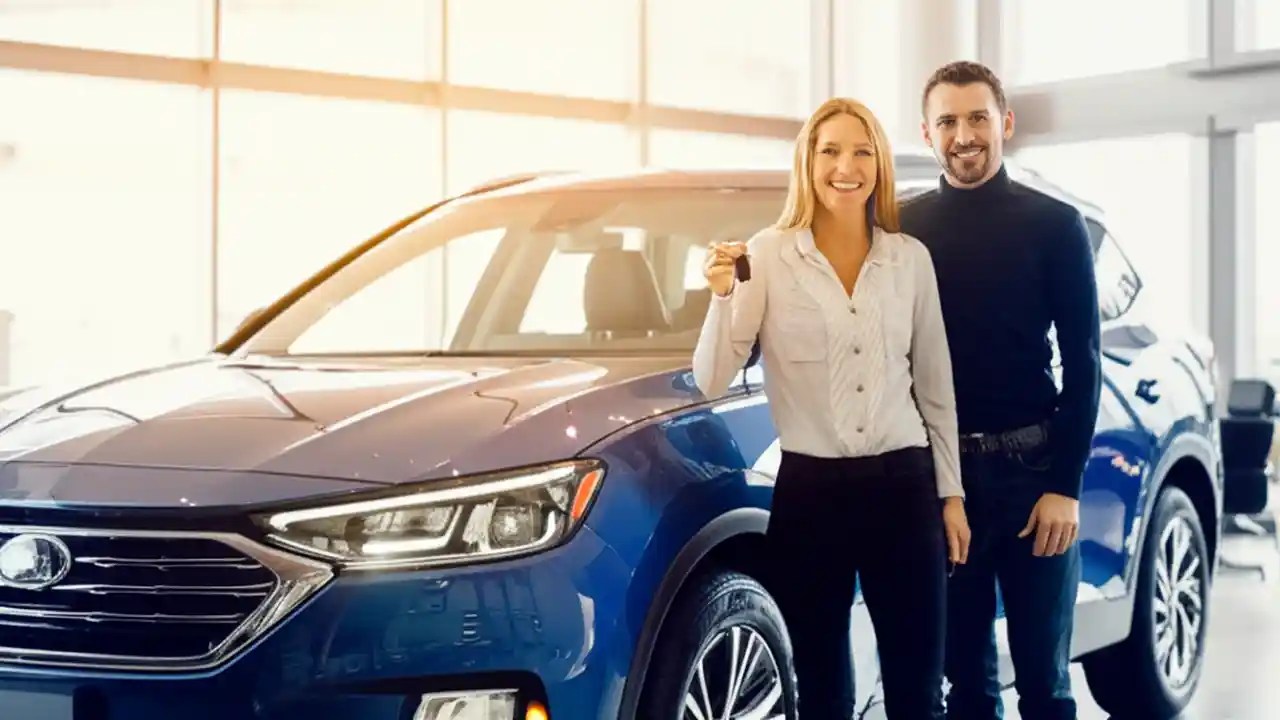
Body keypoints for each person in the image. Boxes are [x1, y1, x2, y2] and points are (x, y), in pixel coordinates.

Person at [692, 97, 971, 719]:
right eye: (830, 151)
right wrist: (720, 296)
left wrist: (950, 497)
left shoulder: (910, 261)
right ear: (807, 163)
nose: (846, 166)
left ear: (879, 165)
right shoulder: (765, 256)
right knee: (821, 693)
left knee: (919, 690)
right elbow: (710, 378)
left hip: (904, 486)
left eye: (862, 151)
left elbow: (935, 389)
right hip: (811, 493)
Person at [900, 61, 1102, 720]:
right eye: (949, 121)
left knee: (1046, 683)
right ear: (927, 132)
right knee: (966, 687)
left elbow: (1085, 361)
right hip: (942, 481)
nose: (965, 135)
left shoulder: (1055, 226)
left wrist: (1065, 486)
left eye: (978, 118)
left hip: (1033, 474)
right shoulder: (901, 232)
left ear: (1005, 124)